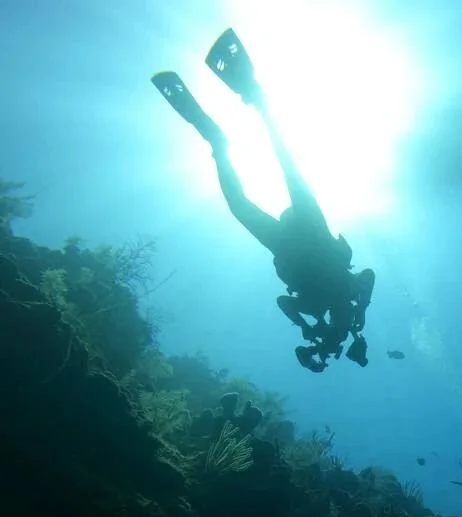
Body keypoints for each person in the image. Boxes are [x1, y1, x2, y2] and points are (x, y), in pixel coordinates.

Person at [151, 29, 375, 372]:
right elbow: (369, 274)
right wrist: (356, 313)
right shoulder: (351, 299)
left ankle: (218, 141)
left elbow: (284, 301)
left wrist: (308, 326)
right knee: (289, 168)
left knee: (251, 198)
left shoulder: (317, 307)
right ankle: (256, 99)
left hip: (288, 246)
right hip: (312, 237)